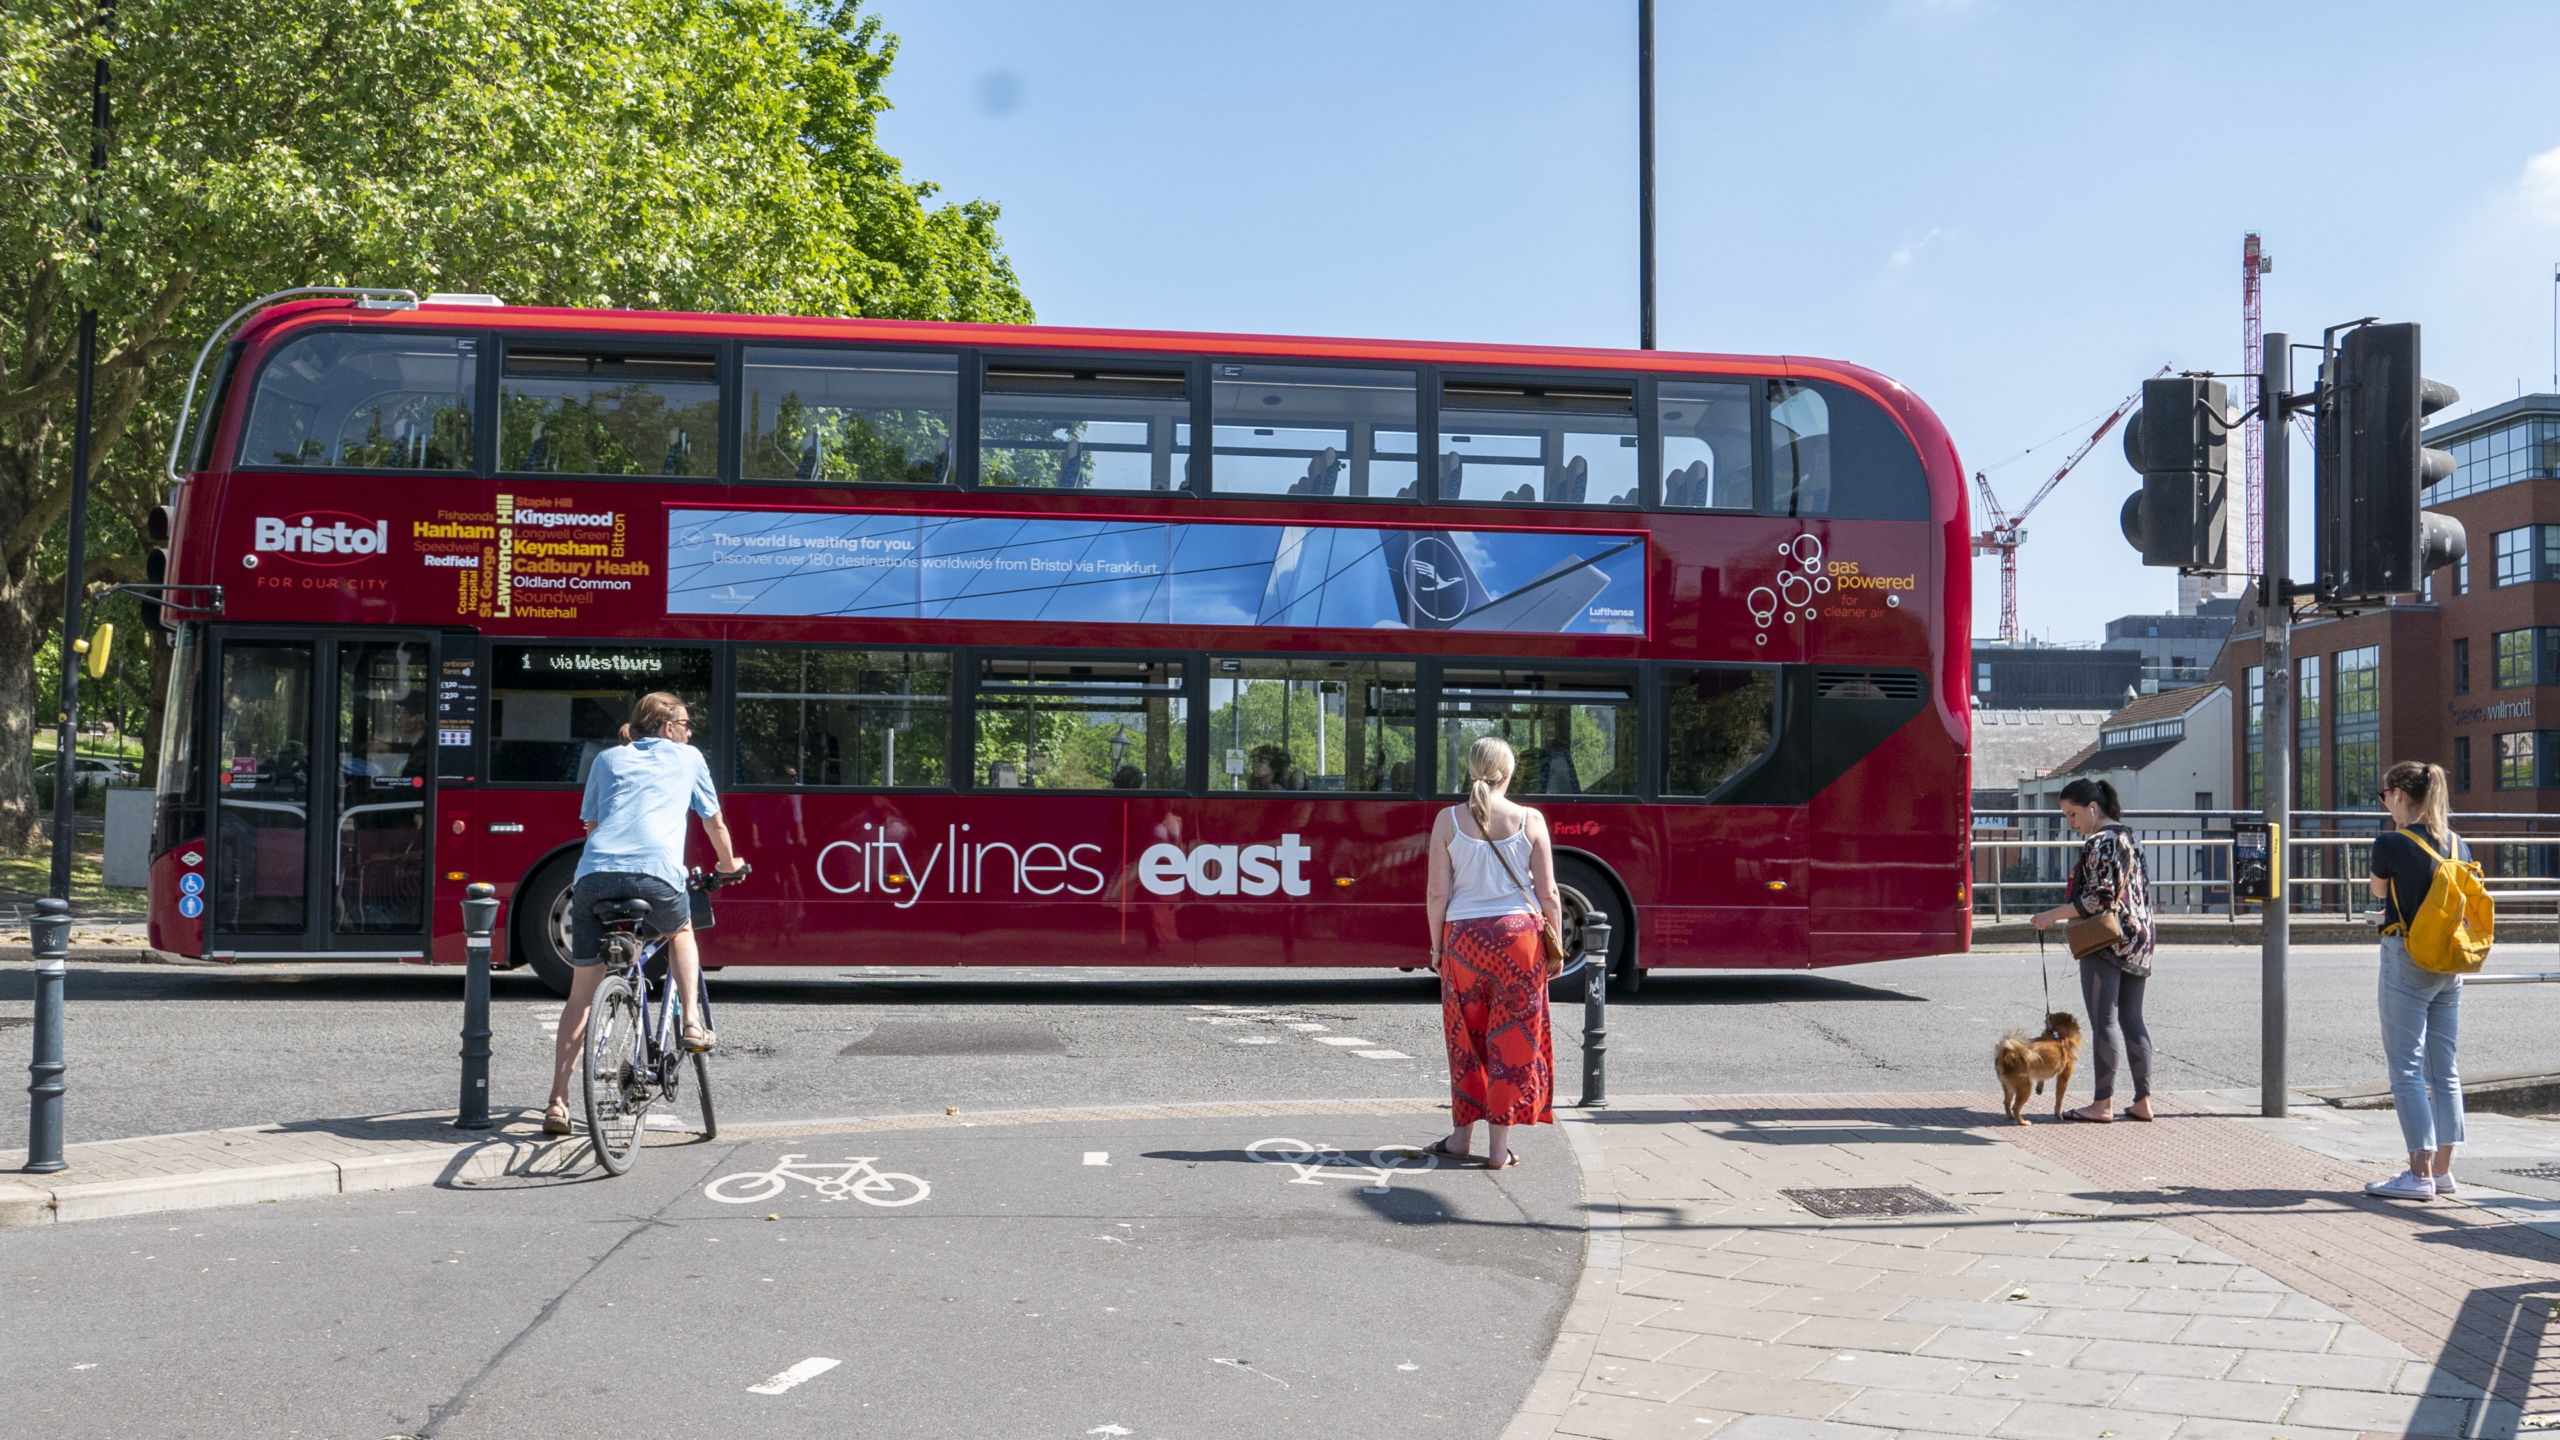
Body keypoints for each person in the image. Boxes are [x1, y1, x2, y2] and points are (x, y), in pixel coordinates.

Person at [544, 692, 745, 1136]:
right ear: (668, 727)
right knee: (681, 931)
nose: (691, 731)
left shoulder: (606, 760)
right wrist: (729, 867)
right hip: (656, 875)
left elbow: (592, 826)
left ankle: (557, 1101)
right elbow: (714, 822)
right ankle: (692, 1022)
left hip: (594, 877)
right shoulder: (688, 758)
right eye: (687, 723)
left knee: (580, 995)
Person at [1423, 735, 1566, 1169]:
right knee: (1512, 1041)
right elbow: (1550, 893)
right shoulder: (1530, 819)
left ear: (1472, 771)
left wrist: (1436, 948)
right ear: (1509, 774)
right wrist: (1555, 947)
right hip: (1519, 940)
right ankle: (1498, 1150)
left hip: (1464, 941)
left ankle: (1460, 1138)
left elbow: (1436, 893)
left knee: (1465, 1039)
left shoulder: (1447, 821)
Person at [2362, 760, 2470, 1201]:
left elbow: (2378, 892)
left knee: (2406, 1066)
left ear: (2400, 795)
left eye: (2384, 795)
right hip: (2450, 961)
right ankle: (2443, 1171)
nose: (2384, 803)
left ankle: (2418, 1173)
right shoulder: (2458, 843)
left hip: (2406, 957)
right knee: (2443, 1067)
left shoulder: (2390, 842)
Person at [2030, 777, 2156, 1122]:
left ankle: (2102, 1103)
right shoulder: (2130, 837)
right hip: (2141, 935)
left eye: (2072, 815)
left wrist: (2051, 916)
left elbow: (2096, 900)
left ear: (2092, 808)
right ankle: (2143, 1100)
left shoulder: (2099, 842)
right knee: (2133, 1019)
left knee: (2104, 1022)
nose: (2071, 823)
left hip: (2106, 938)